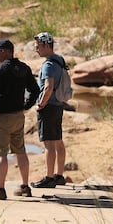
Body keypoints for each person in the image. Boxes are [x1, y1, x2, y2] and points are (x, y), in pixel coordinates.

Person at [0, 38, 41, 200]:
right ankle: (25, 187)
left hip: (1, 117)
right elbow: (35, 90)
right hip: (18, 115)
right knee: (20, 151)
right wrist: (25, 106)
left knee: (1, 154)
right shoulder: (24, 68)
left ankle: (0, 189)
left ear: (6, 51)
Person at [30, 31, 68, 189]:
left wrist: (41, 104)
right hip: (58, 104)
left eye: (38, 46)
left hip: (49, 107)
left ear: (46, 45)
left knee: (49, 144)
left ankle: (49, 178)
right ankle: (59, 175)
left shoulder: (48, 65)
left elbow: (48, 87)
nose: (36, 49)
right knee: (58, 140)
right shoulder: (59, 60)